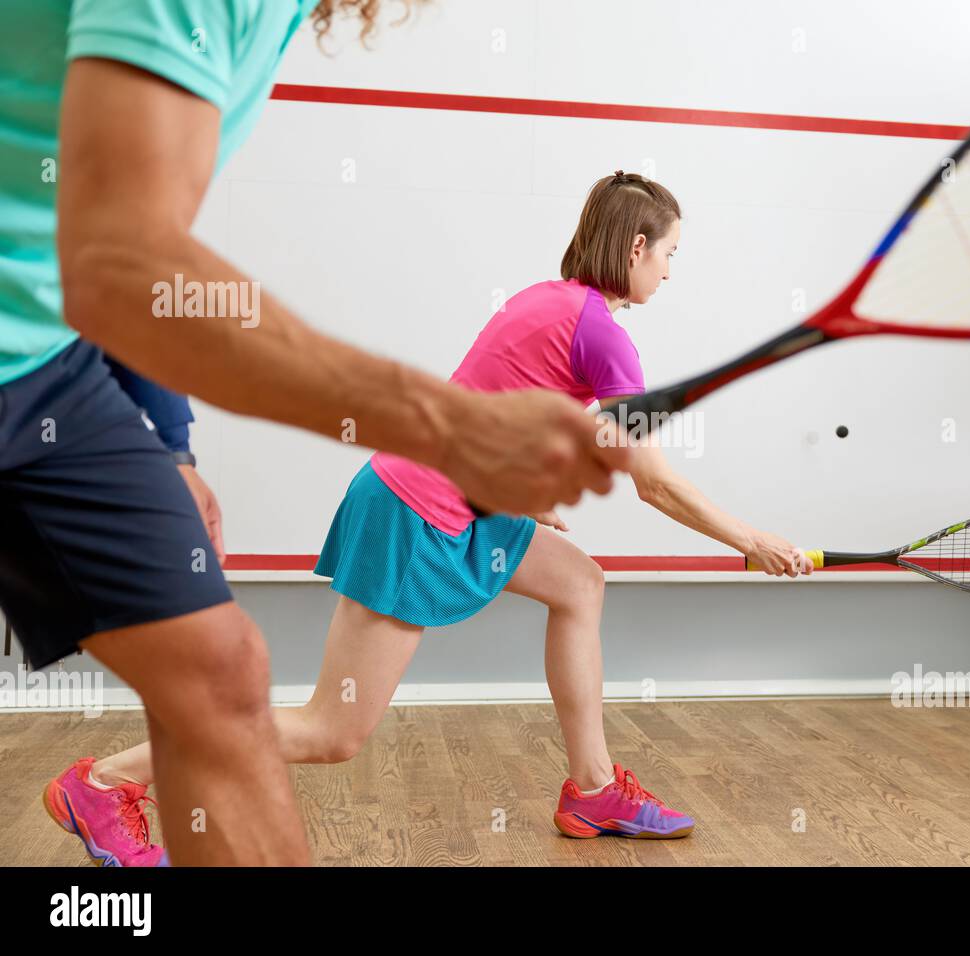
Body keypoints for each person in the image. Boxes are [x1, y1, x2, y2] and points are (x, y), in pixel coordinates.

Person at [5, 0, 628, 866]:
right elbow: (126, 262)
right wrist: (451, 428)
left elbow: (119, 246)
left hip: (41, 362)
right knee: (315, 720)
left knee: (218, 677)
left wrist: (170, 444)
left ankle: (102, 789)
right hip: (45, 356)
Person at [56, 171, 813, 857]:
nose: (672, 272)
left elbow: (492, 406)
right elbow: (652, 484)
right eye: (672, 254)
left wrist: (521, 492)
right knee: (332, 733)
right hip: (412, 512)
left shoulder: (547, 302)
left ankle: (591, 789)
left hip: (448, 502)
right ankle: (106, 781)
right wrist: (752, 539)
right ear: (639, 245)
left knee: (579, 584)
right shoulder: (605, 335)